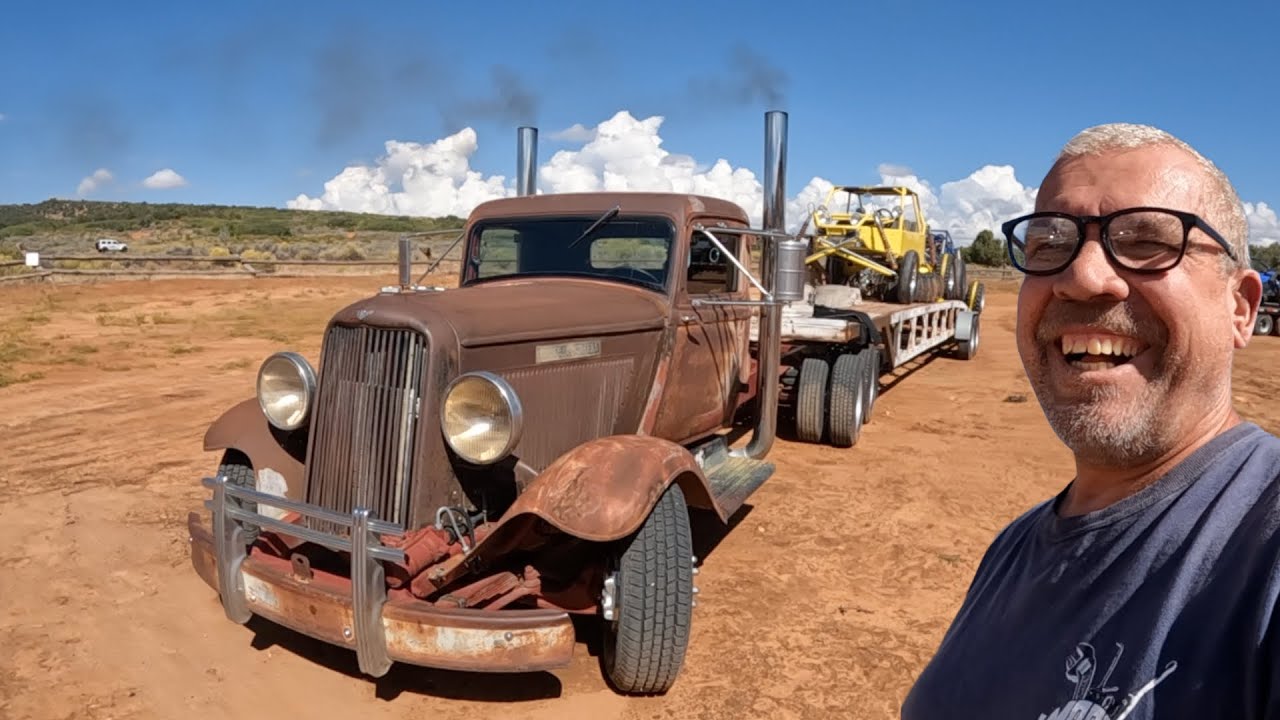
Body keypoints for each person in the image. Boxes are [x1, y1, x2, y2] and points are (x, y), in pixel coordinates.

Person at [901, 123, 1278, 719]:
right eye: (1050, 244)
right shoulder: (1014, 549)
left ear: (1241, 309)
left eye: (1150, 240)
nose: (1081, 276)